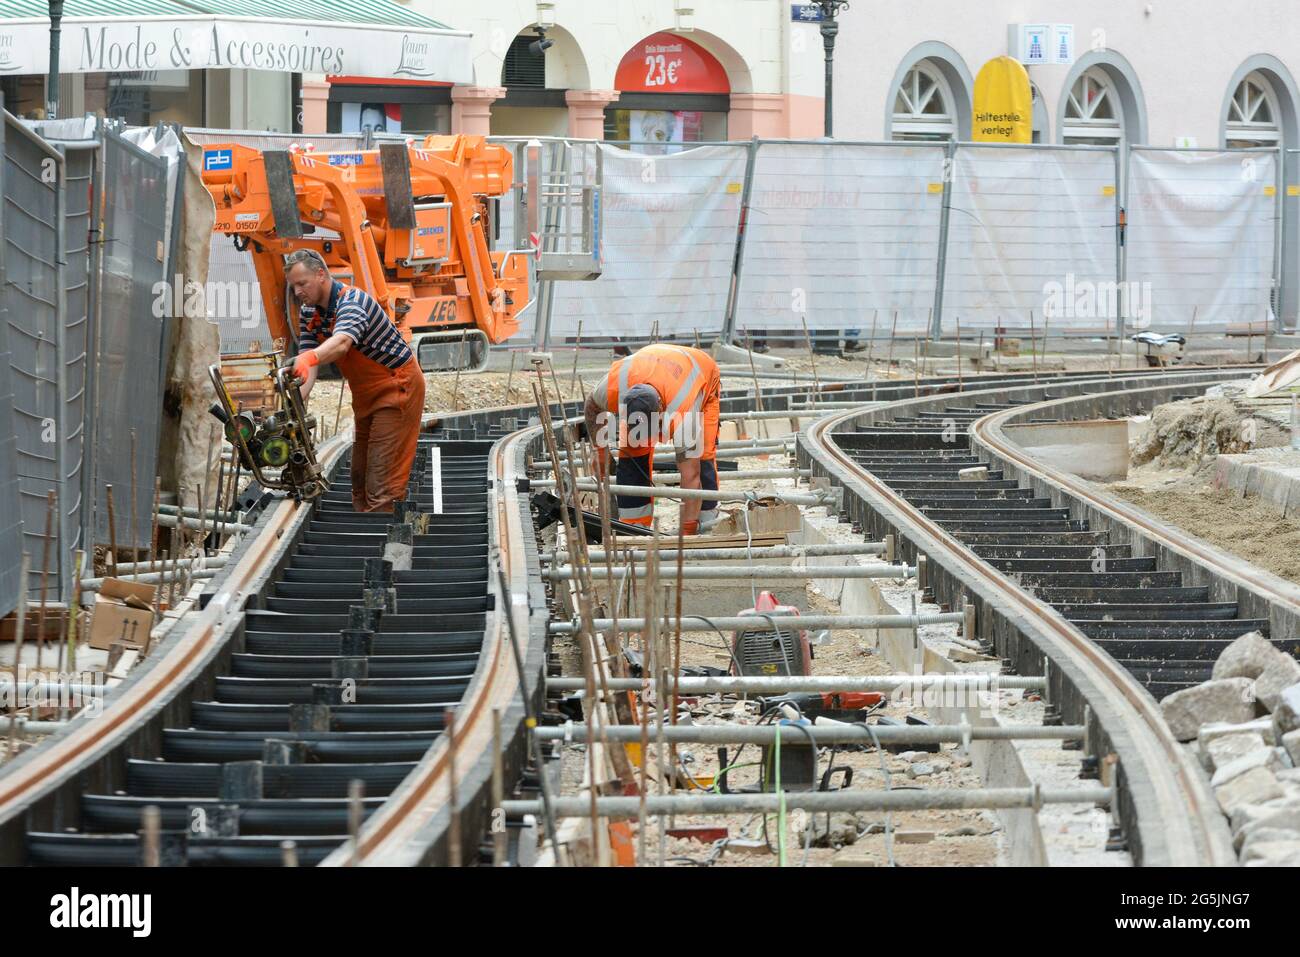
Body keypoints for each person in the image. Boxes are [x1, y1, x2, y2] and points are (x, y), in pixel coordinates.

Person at [287, 249, 426, 513]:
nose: (297, 292)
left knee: (381, 481)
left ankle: (384, 535)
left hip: (397, 386)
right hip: (365, 396)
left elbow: (341, 344)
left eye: (302, 284)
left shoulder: (353, 301)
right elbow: (308, 365)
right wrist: (296, 401)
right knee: (360, 478)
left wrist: (309, 358)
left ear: (321, 275)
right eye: (293, 286)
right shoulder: (310, 314)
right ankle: (366, 525)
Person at [584, 343, 721, 534]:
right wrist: (600, 451)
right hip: (651, 367)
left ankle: (704, 520)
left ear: (661, 412)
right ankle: (634, 525)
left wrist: (686, 531)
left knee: (702, 456)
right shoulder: (613, 389)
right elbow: (591, 406)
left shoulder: (683, 409)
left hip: (702, 374)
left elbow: (691, 475)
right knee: (631, 456)